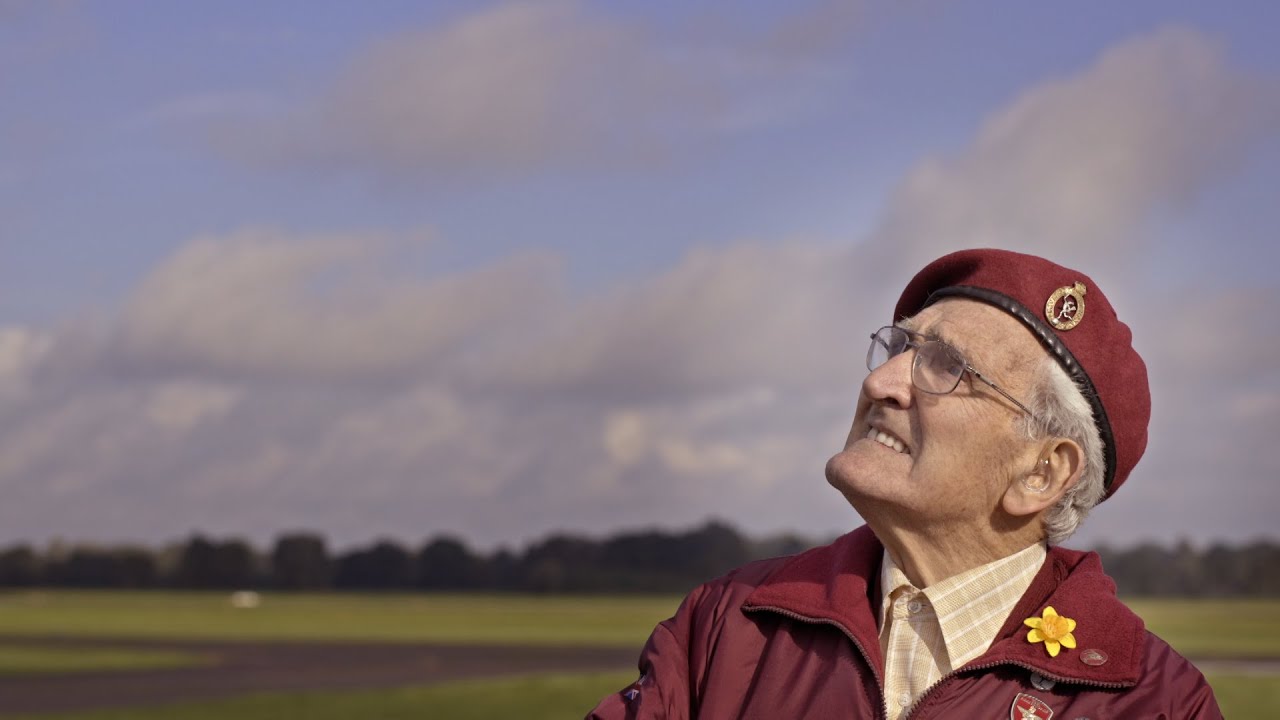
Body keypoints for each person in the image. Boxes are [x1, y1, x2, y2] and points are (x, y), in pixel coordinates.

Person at [587, 249, 1222, 719]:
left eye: (948, 367)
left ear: (1041, 473)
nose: (882, 382)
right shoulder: (728, 624)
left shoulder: (1154, 701)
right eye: (899, 348)